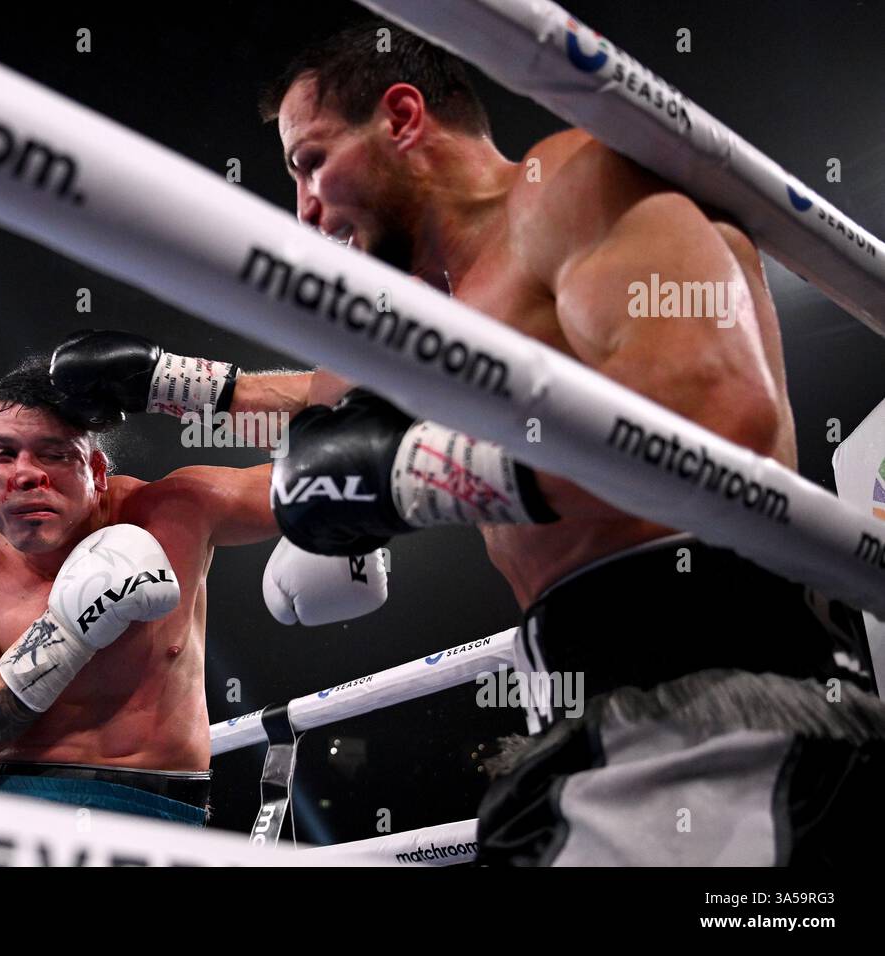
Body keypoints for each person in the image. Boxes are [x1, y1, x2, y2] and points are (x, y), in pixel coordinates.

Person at [260, 18, 884, 864]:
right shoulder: (437, 317)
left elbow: (711, 418)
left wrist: (413, 478)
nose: (302, 205)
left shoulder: (568, 186)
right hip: (579, 717)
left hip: (714, 685)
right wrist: (167, 384)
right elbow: (316, 449)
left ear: (402, 117)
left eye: (311, 161)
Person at [0, 333, 385, 826]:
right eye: (2, 453)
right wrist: (65, 632)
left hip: (159, 817)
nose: (26, 474)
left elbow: (361, 447)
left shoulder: (174, 511)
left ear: (97, 470)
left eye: (54, 454)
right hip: (9, 816)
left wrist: (176, 384)